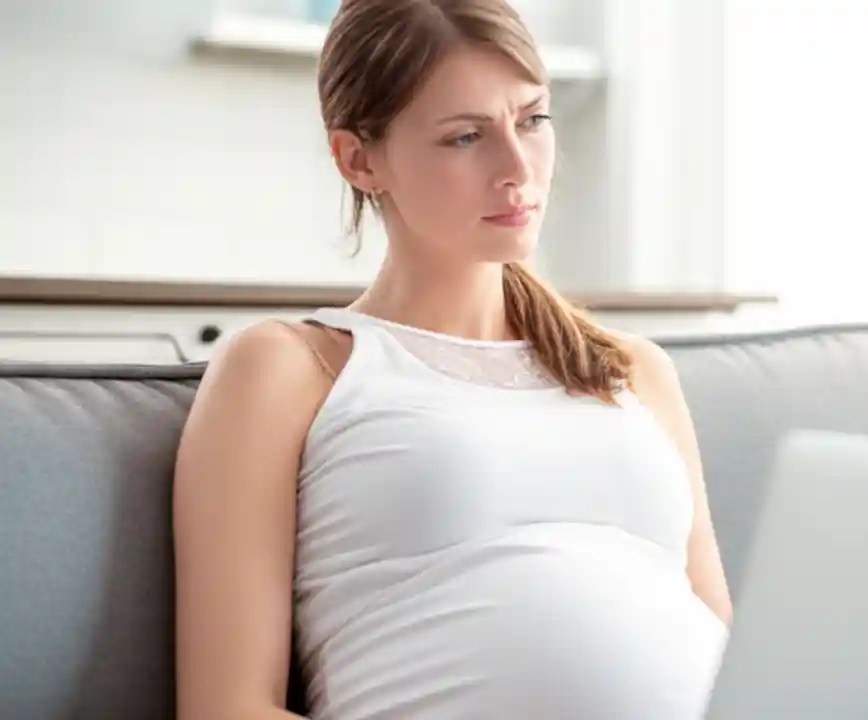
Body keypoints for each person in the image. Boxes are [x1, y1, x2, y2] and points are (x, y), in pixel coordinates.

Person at [172, 0, 733, 718]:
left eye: (532, 120)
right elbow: (225, 708)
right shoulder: (291, 370)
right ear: (360, 159)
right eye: (466, 137)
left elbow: (733, 648)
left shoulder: (631, 371)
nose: (517, 169)